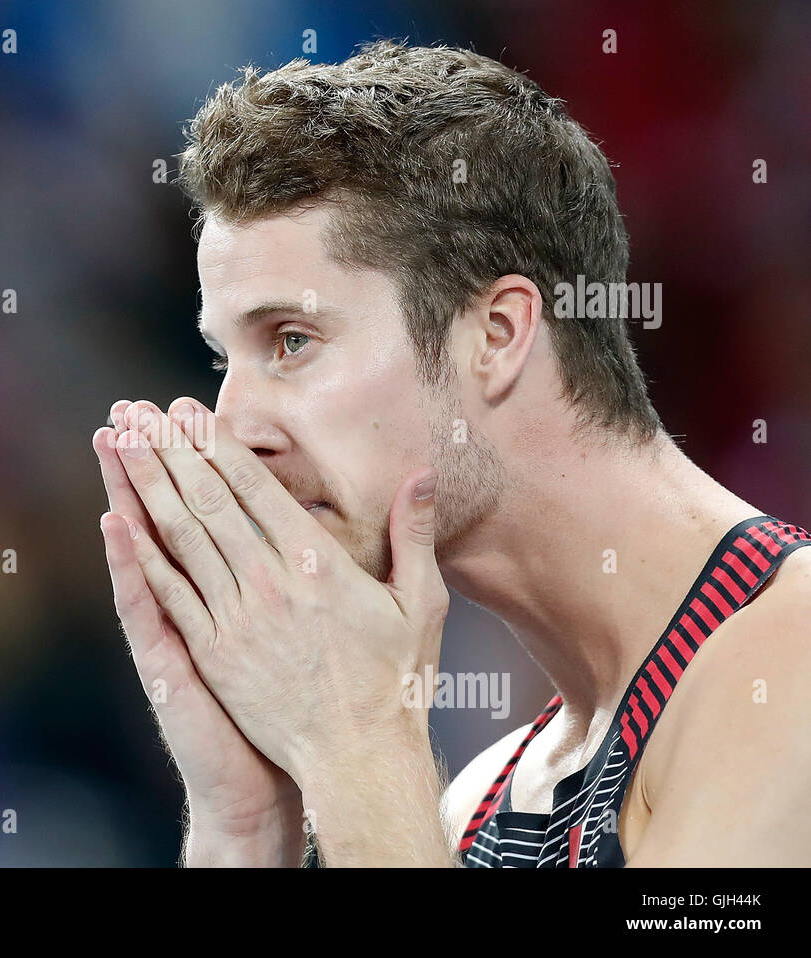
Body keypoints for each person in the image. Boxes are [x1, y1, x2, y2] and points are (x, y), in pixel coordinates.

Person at [91, 40, 811, 867]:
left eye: (292, 340)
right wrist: (245, 825)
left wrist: (358, 736)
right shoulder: (472, 806)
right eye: (225, 362)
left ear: (498, 335)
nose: (233, 424)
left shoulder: (791, 669)